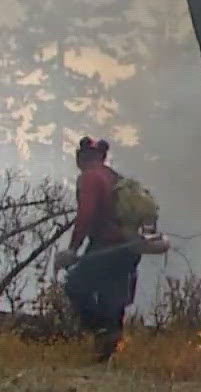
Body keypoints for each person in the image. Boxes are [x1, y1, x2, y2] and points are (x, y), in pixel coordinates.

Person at [56, 136, 142, 362]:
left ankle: (102, 334)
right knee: (112, 298)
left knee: (76, 285)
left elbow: (86, 214)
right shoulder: (114, 177)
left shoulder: (90, 177)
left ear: (81, 157)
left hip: (106, 246)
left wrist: (73, 248)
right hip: (129, 248)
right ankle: (107, 353)